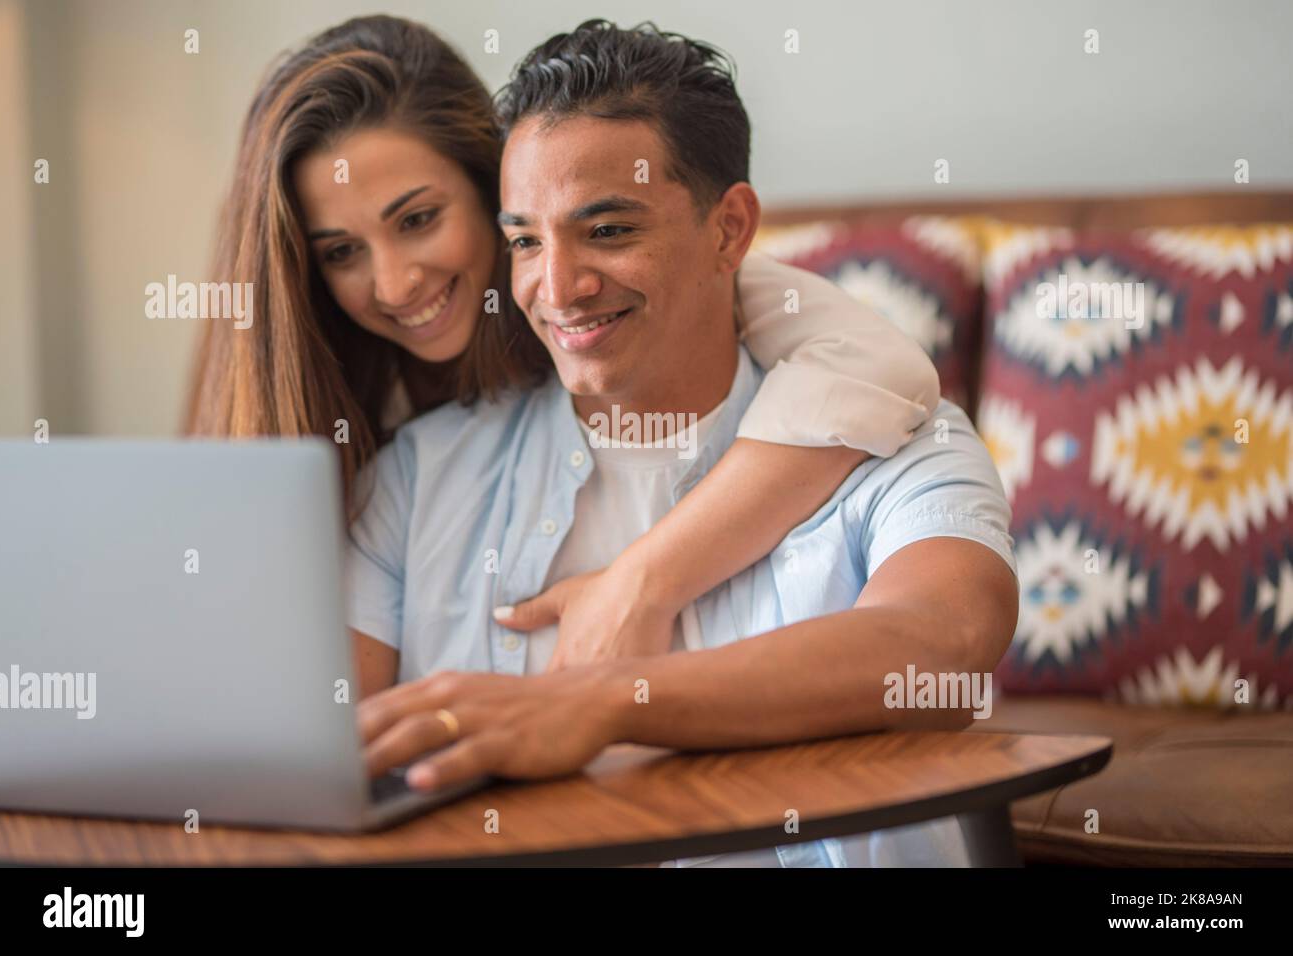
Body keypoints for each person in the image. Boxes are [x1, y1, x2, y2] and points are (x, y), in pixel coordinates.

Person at [352, 20, 1019, 867]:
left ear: (730, 229)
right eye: (525, 240)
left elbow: (947, 642)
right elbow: (311, 763)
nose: (556, 288)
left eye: (609, 231)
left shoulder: (899, 445)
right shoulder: (416, 480)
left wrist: (606, 700)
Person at [185, 14, 942, 680]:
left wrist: (640, 582)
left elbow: (882, 370)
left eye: (417, 219)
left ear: (495, 190)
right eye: (342, 250)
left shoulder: (710, 290)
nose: (393, 284)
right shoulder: (376, 439)